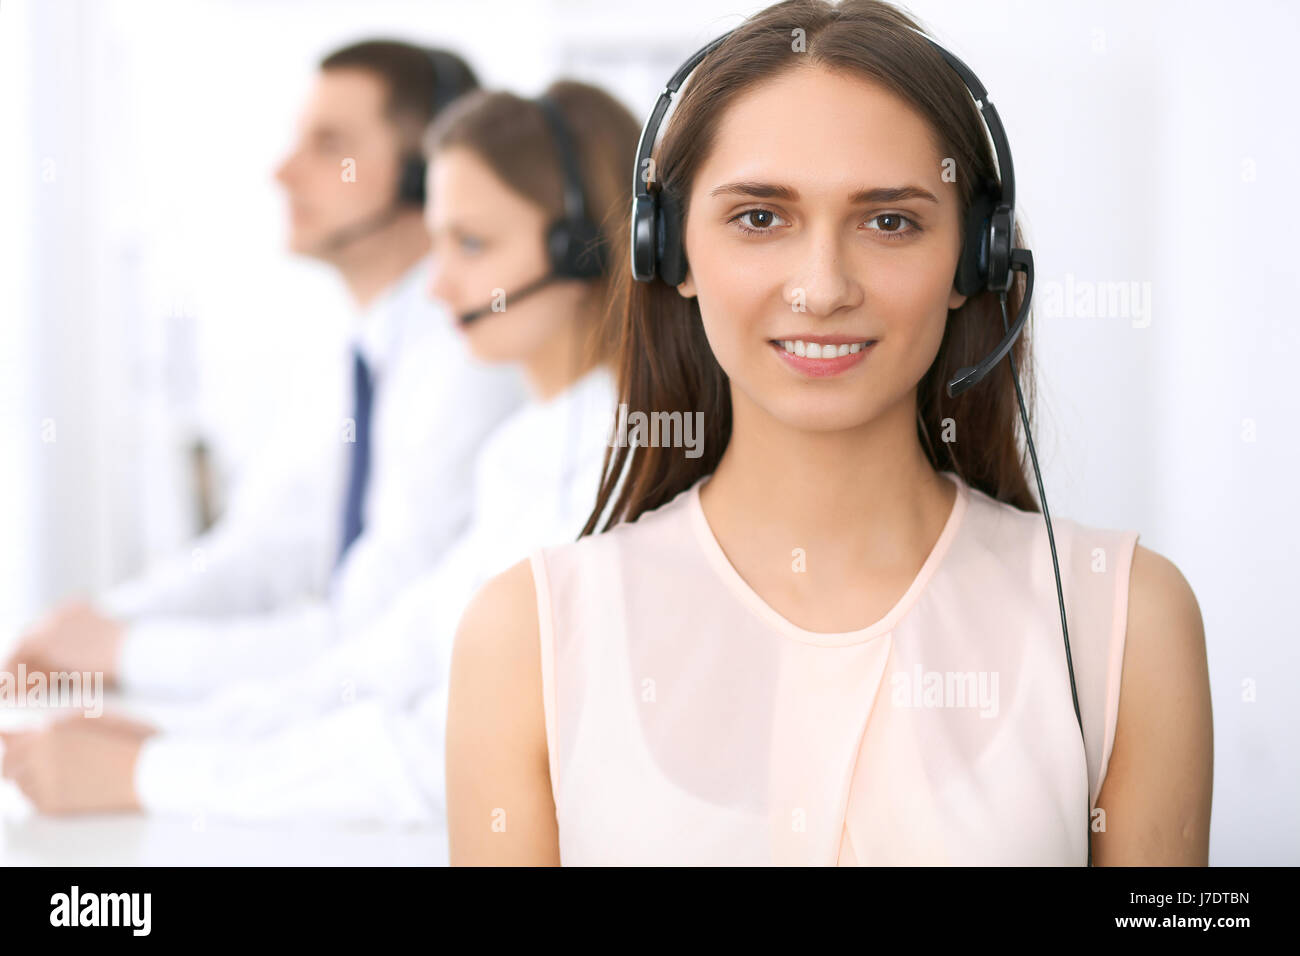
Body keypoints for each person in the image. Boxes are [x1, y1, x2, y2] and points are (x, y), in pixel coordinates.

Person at [445, 0, 1213, 866]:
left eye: (890, 221)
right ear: (673, 253)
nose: (821, 287)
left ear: (975, 262)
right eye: (760, 218)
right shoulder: (526, 637)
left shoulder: (1127, 620)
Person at [1, 82, 640, 852]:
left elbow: (442, 752)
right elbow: (383, 660)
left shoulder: (618, 463)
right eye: (438, 244)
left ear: (584, 246)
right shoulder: (526, 450)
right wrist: (172, 734)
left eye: (472, 246)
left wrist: (157, 772)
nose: (437, 287)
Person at [2, 41, 525, 698]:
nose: (282, 172)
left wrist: (125, 652)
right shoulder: (360, 357)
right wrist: (97, 629)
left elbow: (367, 636)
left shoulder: (470, 363)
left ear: (427, 173)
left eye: (328, 145)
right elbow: (266, 554)